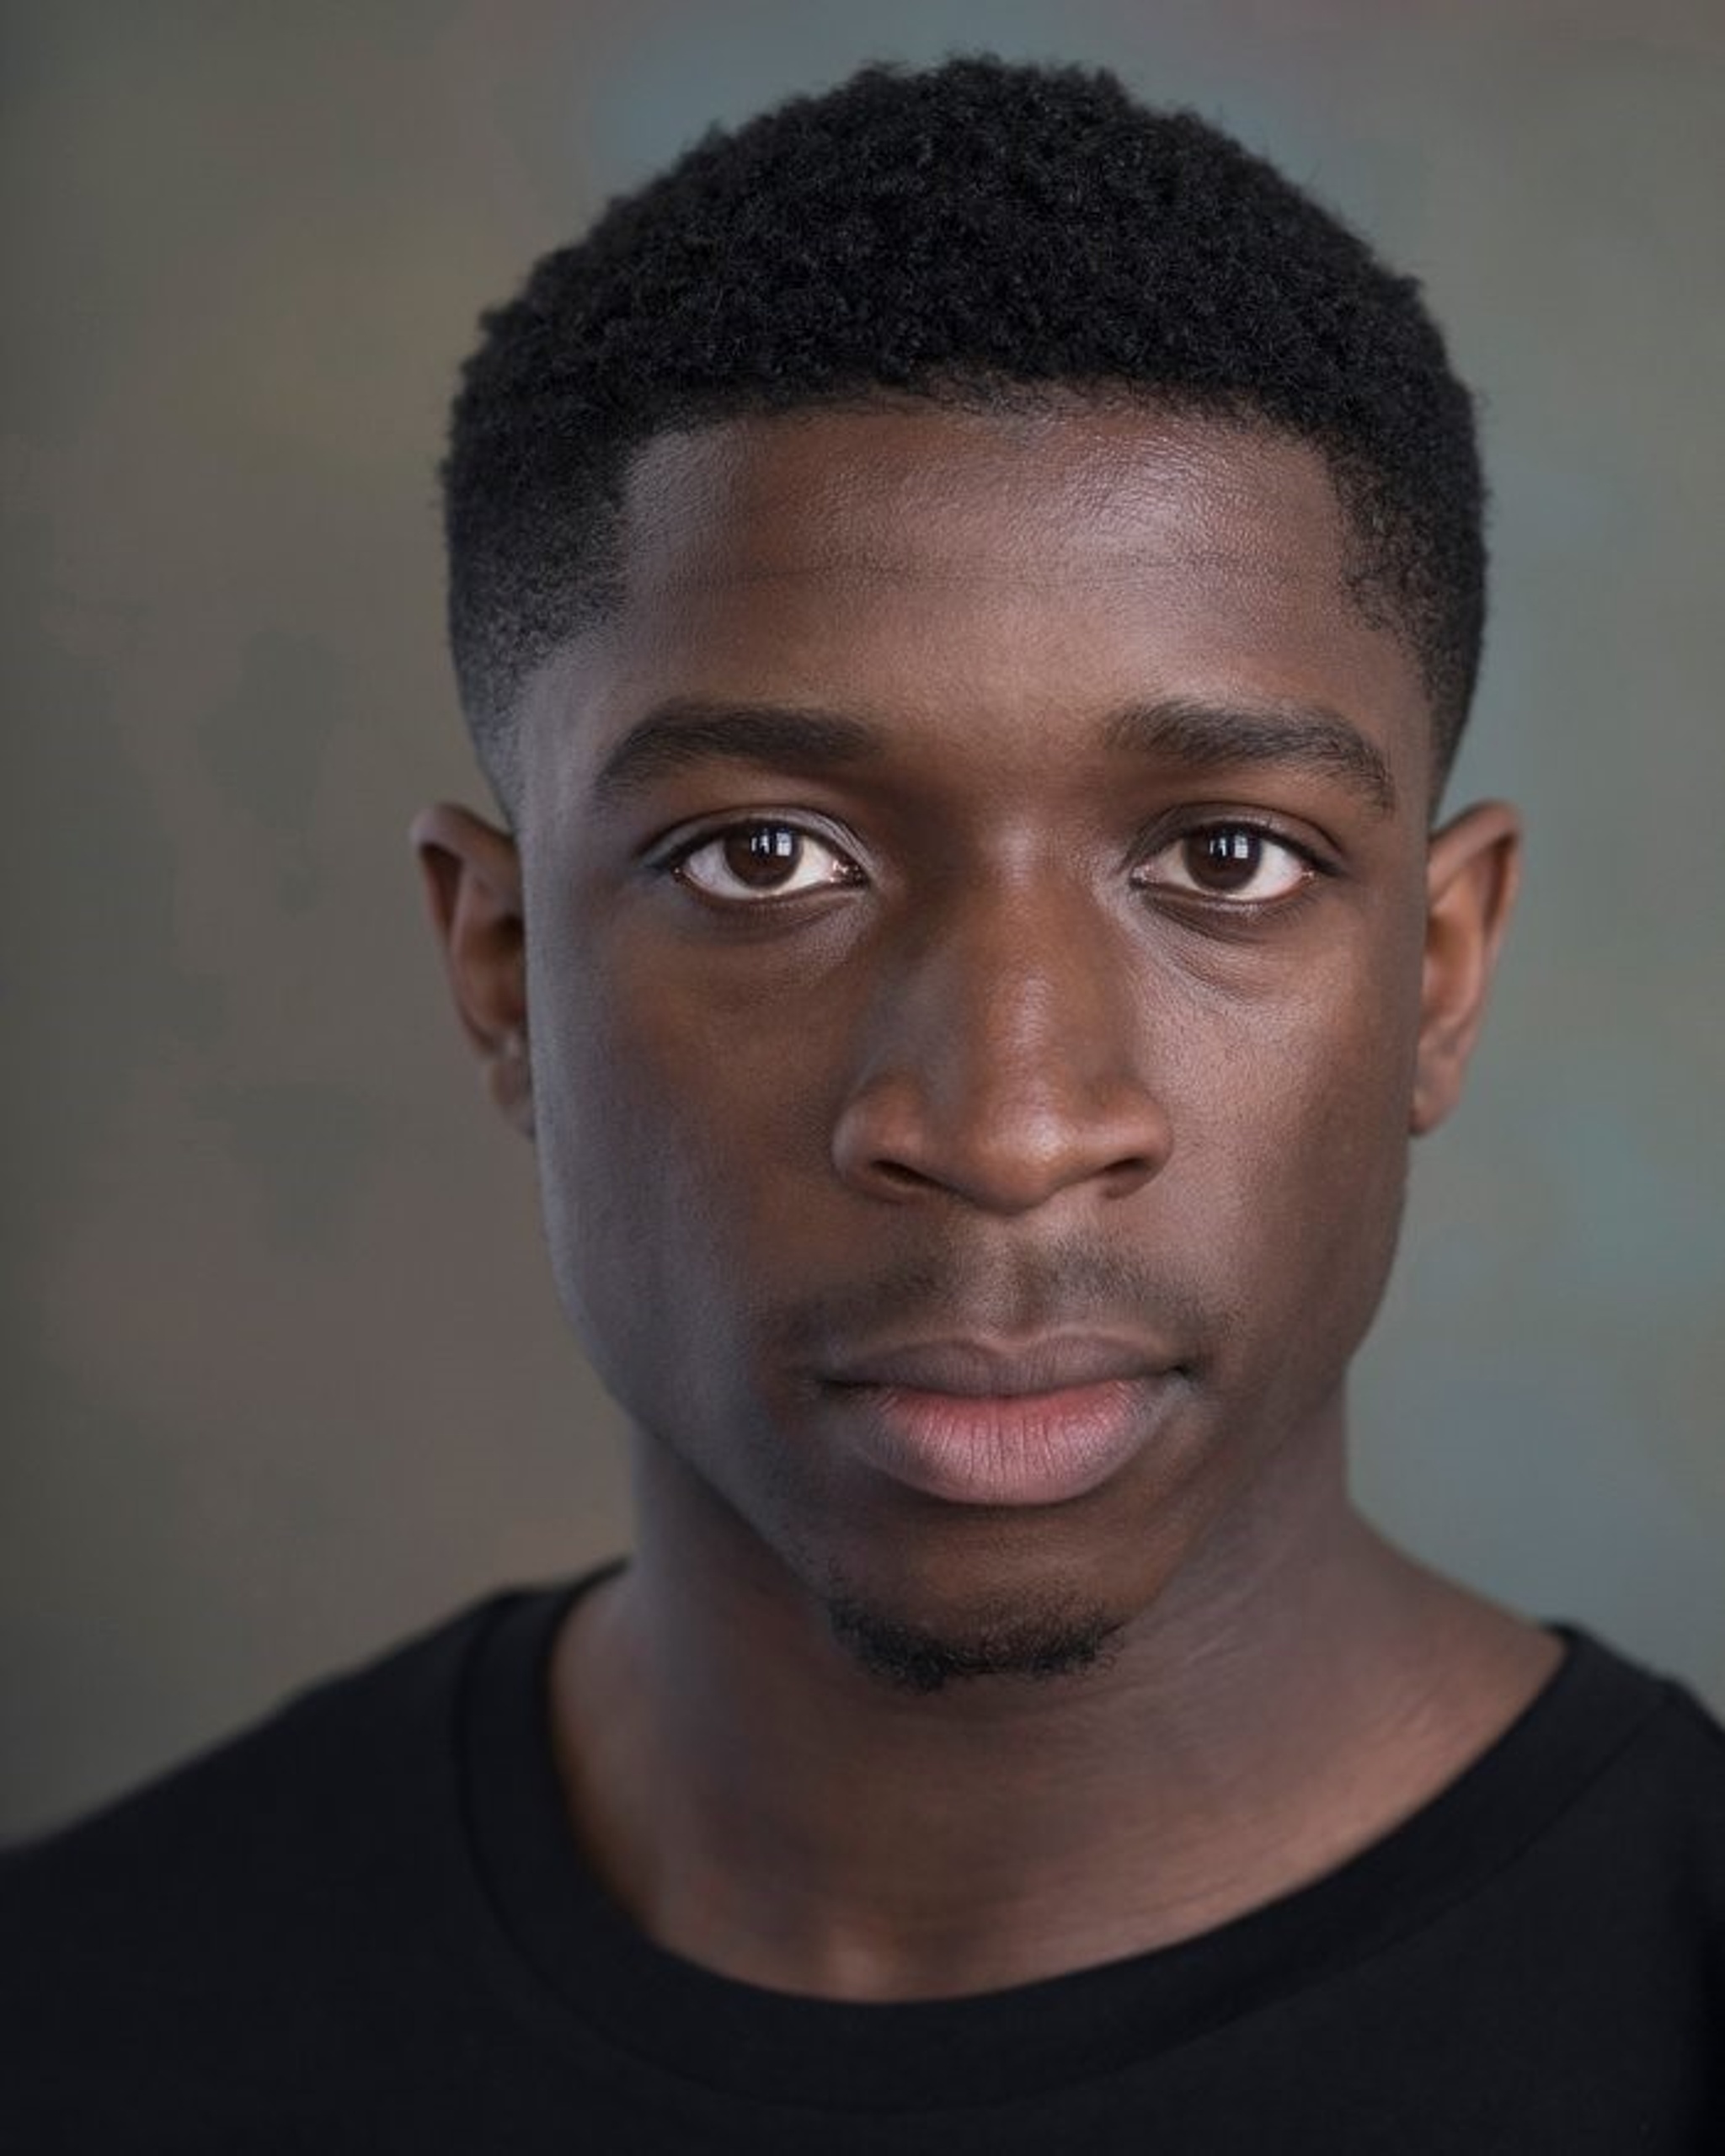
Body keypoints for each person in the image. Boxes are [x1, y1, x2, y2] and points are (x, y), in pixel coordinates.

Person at [3, 56, 1721, 2153]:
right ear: (503, 970)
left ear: (1435, 971)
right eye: (762, 858)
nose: (1004, 1126)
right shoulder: (90, 2020)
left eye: (1226, 858)